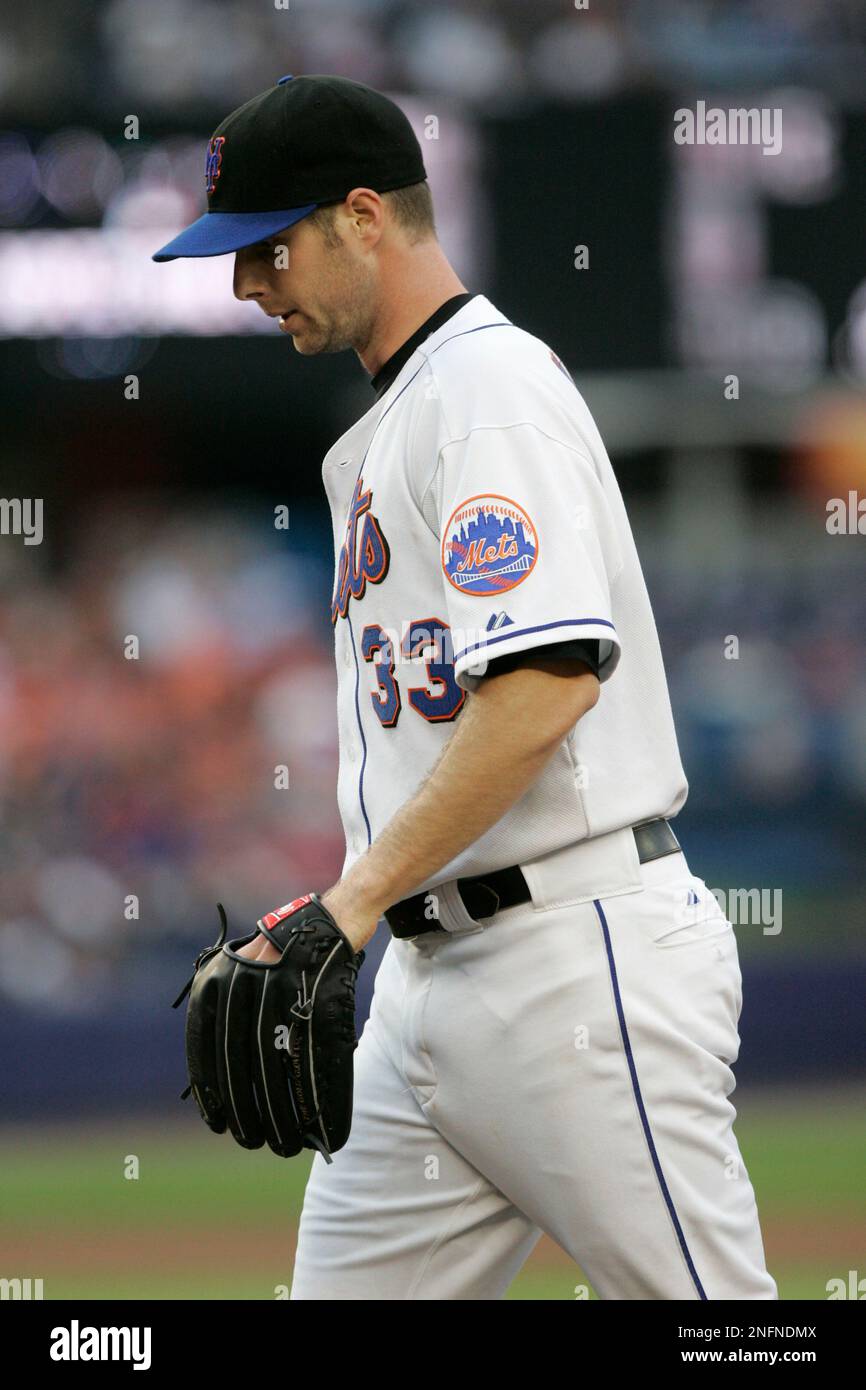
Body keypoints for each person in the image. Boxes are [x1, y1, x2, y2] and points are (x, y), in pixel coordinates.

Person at [154, 74, 777, 1301]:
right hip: (429, 985)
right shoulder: (407, 410)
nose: (245, 285)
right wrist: (363, 910)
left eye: (269, 249)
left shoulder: (484, 390)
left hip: (572, 961)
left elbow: (545, 686)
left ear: (363, 216)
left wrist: (348, 905)